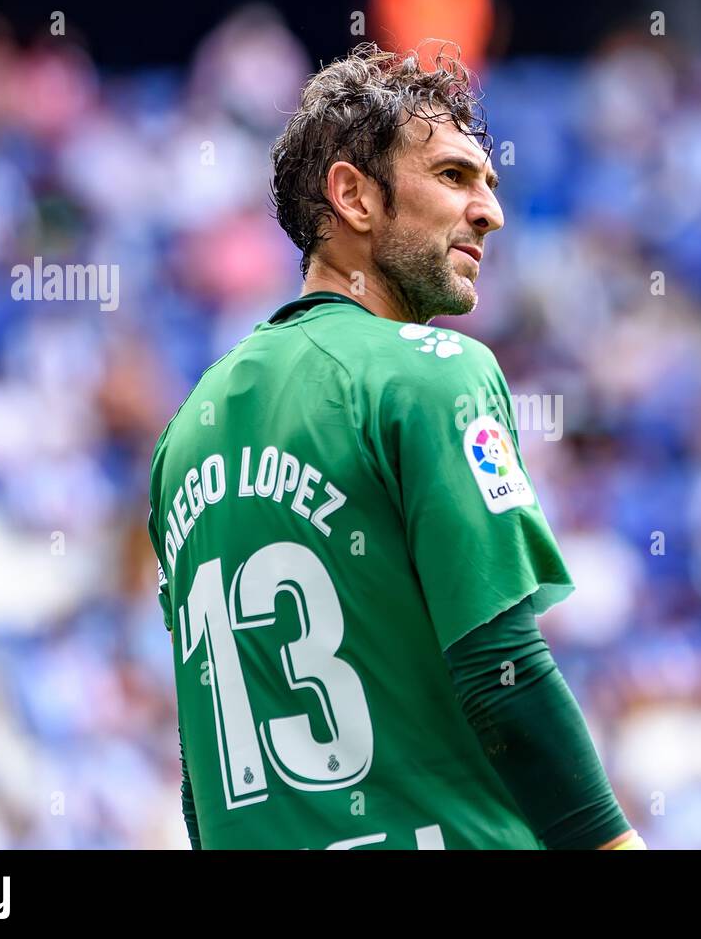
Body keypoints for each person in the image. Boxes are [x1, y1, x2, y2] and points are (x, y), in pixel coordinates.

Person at [146, 41, 644, 850]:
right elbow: (501, 668)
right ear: (353, 196)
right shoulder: (434, 374)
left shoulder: (183, 436)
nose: (491, 210)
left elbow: (199, 774)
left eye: (488, 181)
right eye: (454, 176)